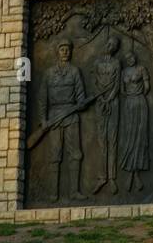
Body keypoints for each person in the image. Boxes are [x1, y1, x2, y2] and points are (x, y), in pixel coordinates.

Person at [40, 40, 87, 202]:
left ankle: (74, 192)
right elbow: (43, 98)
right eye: (62, 49)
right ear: (57, 52)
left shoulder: (75, 71)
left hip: (71, 117)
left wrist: (81, 104)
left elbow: (81, 96)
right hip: (54, 118)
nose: (65, 52)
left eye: (67, 49)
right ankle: (54, 193)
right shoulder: (49, 73)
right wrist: (43, 119)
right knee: (55, 155)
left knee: (75, 155)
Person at [91, 36, 122, 195]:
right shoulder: (96, 63)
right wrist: (101, 99)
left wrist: (109, 99)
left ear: (115, 49)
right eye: (109, 43)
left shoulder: (117, 63)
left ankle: (112, 178)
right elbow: (94, 82)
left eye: (114, 45)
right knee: (102, 141)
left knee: (112, 139)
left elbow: (117, 83)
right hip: (100, 102)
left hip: (113, 102)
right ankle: (102, 177)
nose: (110, 46)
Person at [118, 51, 151, 192]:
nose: (130, 59)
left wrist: (138, 94)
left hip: (139, 102)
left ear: (135, 57)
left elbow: (147, 86)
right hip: (129, 104)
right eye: (127, 58)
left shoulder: (142, 69)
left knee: (139, 135)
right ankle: (130, 173)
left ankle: (136, 173)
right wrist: (130, 95)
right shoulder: (124, 72)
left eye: (131, 57)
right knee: (129, 136)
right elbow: (122, 90)